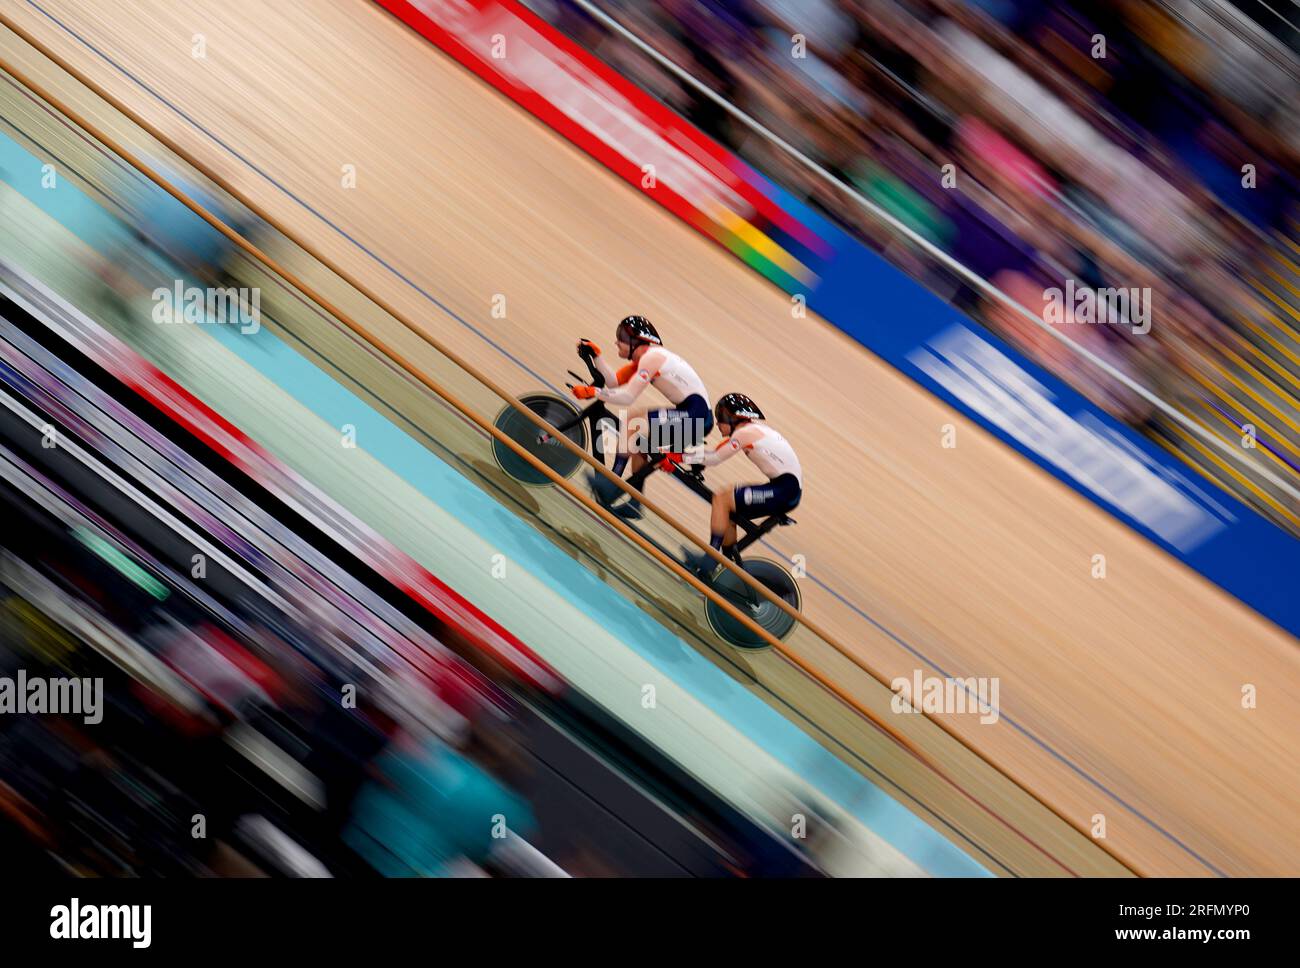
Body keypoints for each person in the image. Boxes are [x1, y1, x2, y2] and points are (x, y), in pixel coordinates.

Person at [573, 316, 712, 519]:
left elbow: (627, 397)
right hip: (693, 415)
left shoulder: (651, 358)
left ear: (637, 342)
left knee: (633, 422)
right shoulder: (645, 359)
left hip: (696, 417)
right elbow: (614, 383)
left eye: (622, 336)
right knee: (638, 436)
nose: (616, 341)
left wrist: (593, 392)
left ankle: (611, 483)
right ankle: (635, 504)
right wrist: (597, 356)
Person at [683, 393, 803, 574]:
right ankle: (727, 564)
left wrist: (681, 455)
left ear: (733, 418)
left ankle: (710, 559)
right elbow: (712, 455)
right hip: (784, 488)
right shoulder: (752, 430)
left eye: (721, 417)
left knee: (722, 499)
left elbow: (715, 458)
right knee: (727, 508)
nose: (717, 423)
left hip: (785, 490)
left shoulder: (745, 432)